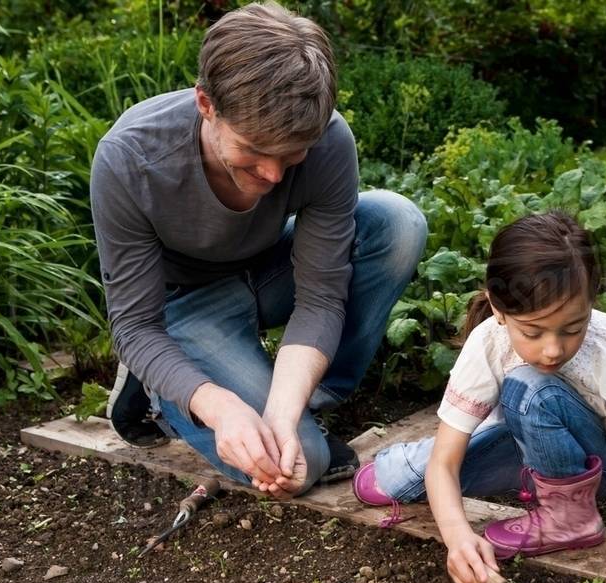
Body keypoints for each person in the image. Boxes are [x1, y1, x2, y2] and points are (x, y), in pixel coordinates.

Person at [90, 2, 427, 499]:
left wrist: (284, 411)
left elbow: (319, 297)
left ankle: (310, 398)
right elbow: (135, 324)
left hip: (269, 270)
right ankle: (165, 393)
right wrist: (220, 407)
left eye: (291, 156)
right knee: (302, 466)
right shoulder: (131, 159)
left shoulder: (329, 140)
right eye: (253, 150)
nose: (272, 176)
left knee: (395, 223)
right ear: (207, 104)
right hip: (182, 304)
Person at [351, 211, 606, 583]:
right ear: (499, 309)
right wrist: (458, 537)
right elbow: (446, 461)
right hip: (523, 445)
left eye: (573, 328)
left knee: (531, 387)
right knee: (392, 480)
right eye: (532, 332)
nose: (553, 349)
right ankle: (419, 465)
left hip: (595, 466)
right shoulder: (488, 343)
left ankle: (569, 516)